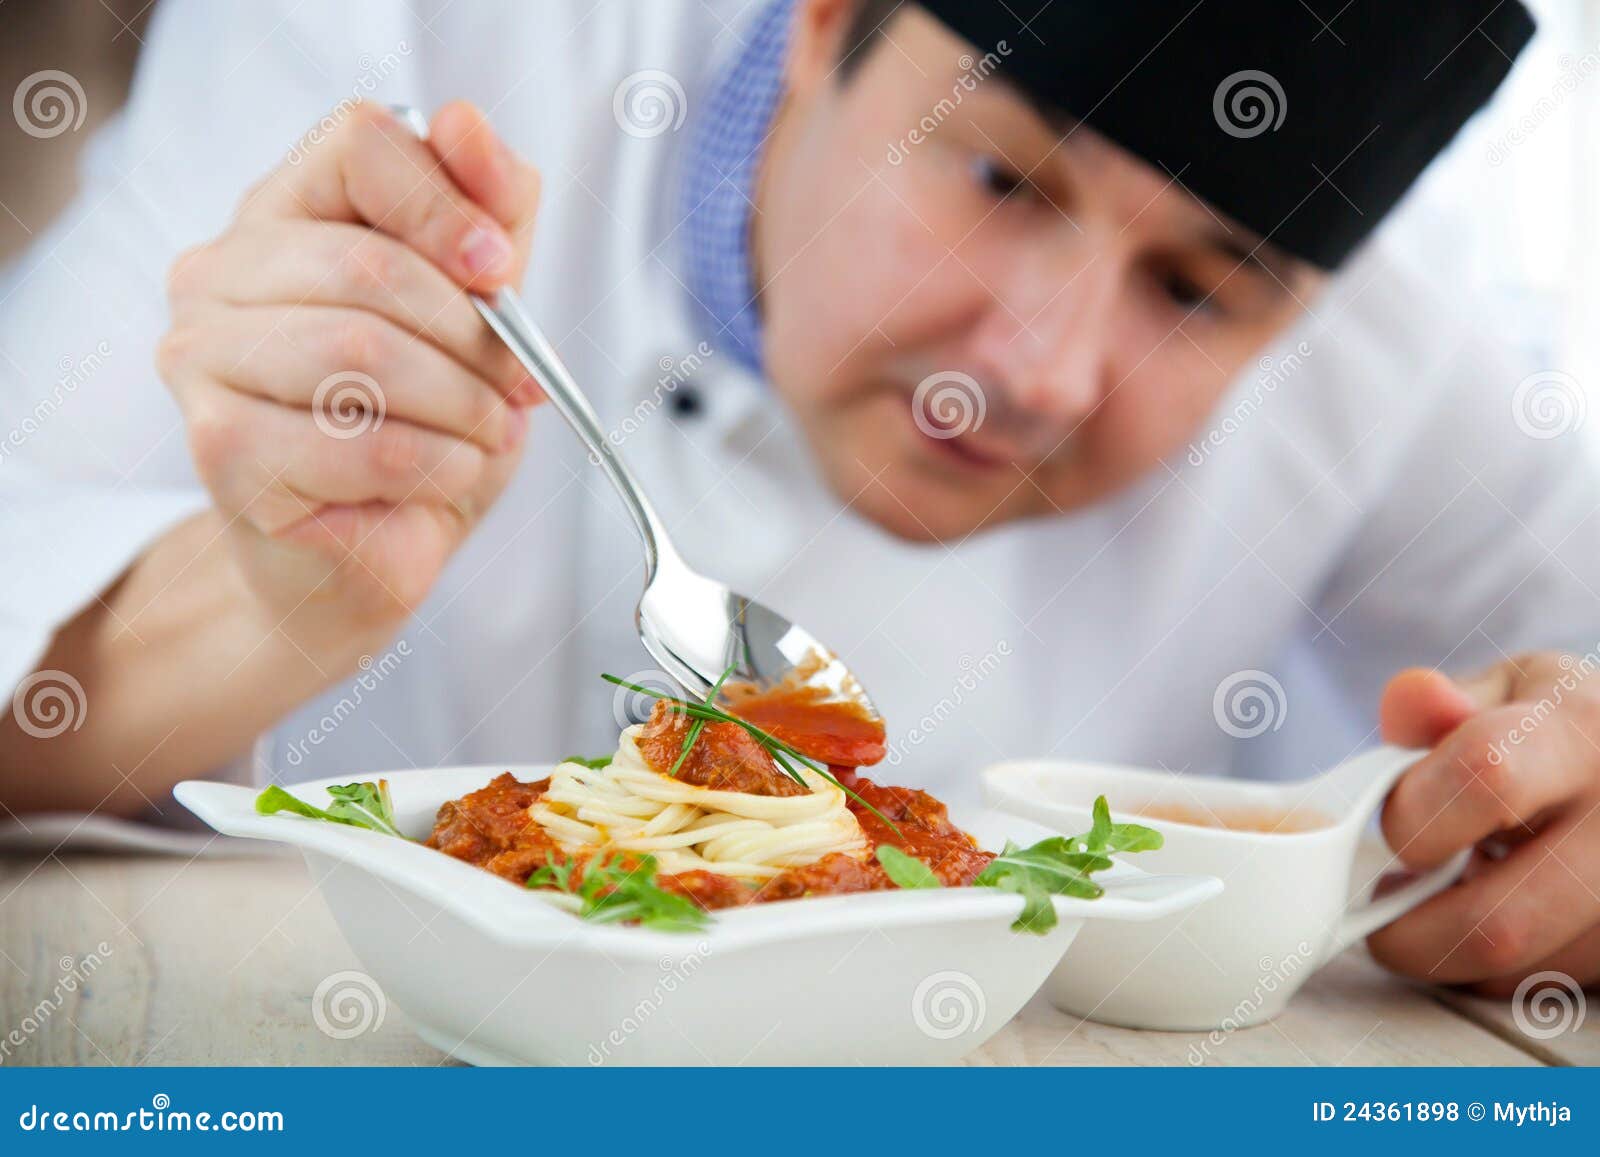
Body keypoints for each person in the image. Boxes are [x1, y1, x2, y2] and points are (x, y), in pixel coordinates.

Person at [1, 0, 1593, 996]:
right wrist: (271, 598)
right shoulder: (403, 43)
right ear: (827, 26)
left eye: (1197, 288)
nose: (1040, 370)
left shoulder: (1403, 344)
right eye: (1001, 178)